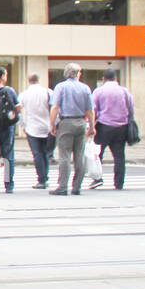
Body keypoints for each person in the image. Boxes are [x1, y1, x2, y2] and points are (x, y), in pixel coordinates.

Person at [49, 62, 94, 196]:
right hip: (81, 122)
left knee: (65, 156)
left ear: (66, 73)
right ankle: (77, 187)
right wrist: (92, 126)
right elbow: (90, 110)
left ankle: (63, 186)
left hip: (66, 122)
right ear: (78, 73)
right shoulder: (85, 88)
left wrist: (52, 124)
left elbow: (55, 107)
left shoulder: (61, 87)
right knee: (79, 156)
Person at [91, 68, 133, 190]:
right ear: (116, 78)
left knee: (98, 154)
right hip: (121, 127)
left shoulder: (99, 91)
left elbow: (94, 109)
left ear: (103, 79)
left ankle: (98, 178)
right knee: (119, 156)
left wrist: (92, 126)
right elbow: (131, 109)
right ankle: (119, 183)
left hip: (104, 126)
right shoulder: (124, 91)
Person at [19, 74, 54, 189]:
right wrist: (54, 125)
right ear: (39, 80)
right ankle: (45, 177)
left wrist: (22, 125)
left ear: (28, 81)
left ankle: (41, 179)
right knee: (45, 153)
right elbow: (55, 108)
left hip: (32, 128)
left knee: (37, 154)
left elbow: (17, 110)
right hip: (47, 126)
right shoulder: (48, 92)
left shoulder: (24, 94)